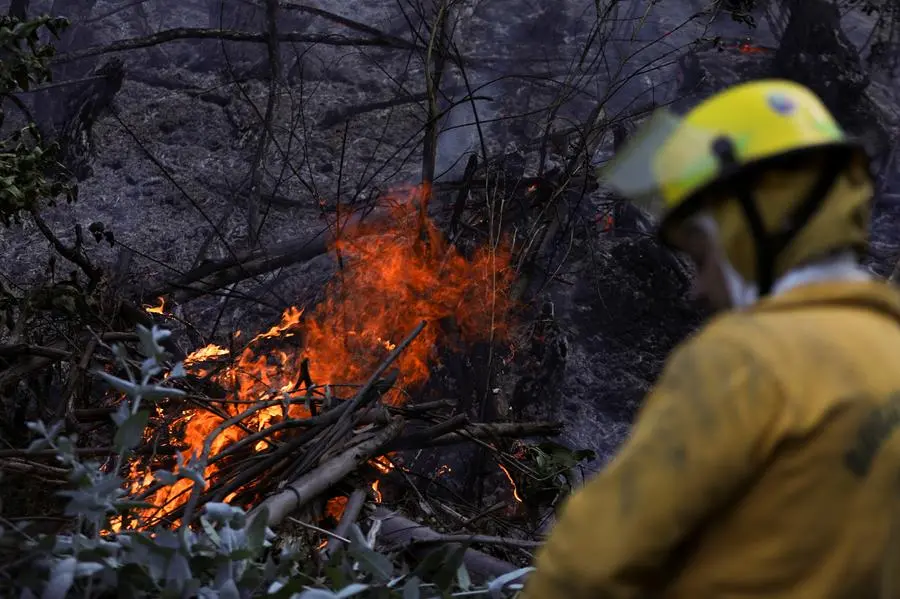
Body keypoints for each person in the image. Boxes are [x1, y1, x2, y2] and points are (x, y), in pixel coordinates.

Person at [519, 79, 900, 598]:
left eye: (701, 254)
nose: (698, 287)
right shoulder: (886, 345)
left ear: (752, 220)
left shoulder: (749, 359)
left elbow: (587, 567)